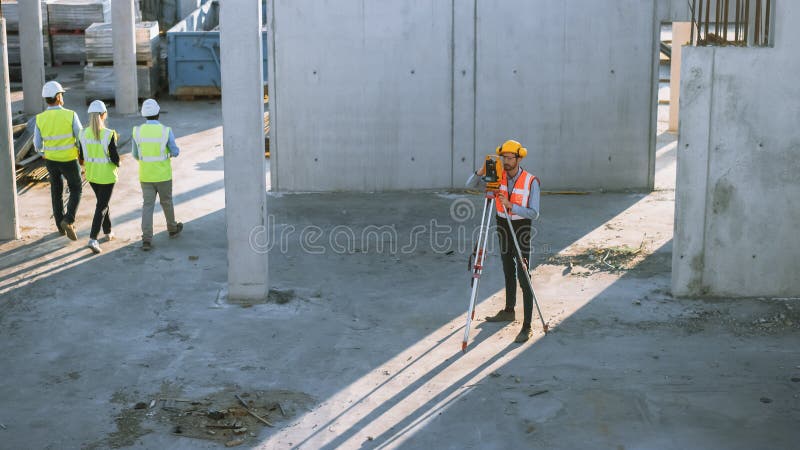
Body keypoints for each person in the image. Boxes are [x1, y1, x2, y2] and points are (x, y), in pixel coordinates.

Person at [466, 140, 541, 343]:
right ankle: (509, 310)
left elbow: (534, 213)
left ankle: (527, 326)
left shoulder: (531, 181)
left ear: (519, 158)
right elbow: (469, 185)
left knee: (523, 274)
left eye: (510, 158)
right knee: (508, 268)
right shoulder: (497, 177)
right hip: (502, 224)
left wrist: (511, 206)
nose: (506, 162)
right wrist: (482, 170)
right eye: (503, 158)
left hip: (521, 227)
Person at [33, 80, 83, 241]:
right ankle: (68, 220)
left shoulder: (40, 118)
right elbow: (80, 138)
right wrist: (80, 153)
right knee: (76, 189)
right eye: (61, 94)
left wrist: (44, 152)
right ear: (58, 96)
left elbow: (37, 145)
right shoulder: (70, 115)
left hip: (51, 161)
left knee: (56, 191)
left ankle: (60, 227)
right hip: (69, 159)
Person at [132, 99, 182, 251]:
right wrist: (167, 154)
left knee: (147, 206)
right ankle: (172, 228)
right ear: (158, 113)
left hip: (146, 175)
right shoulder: (166, 131)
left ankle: (146, 240)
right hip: (163, 175)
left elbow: (135, 155)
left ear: (144, 114)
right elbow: (175, 151)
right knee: (166, 202)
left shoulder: (137, 131)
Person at [79, 100, 120, 254]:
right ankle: (93, 239)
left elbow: (81, 157)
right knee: (101, 206)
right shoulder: (109, 134)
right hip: (107, 176)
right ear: (104, 115)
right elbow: (115, 158)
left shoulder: (83, 133)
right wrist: (118, 163)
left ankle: (108, 231)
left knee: (103, 203)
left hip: (92, 175)